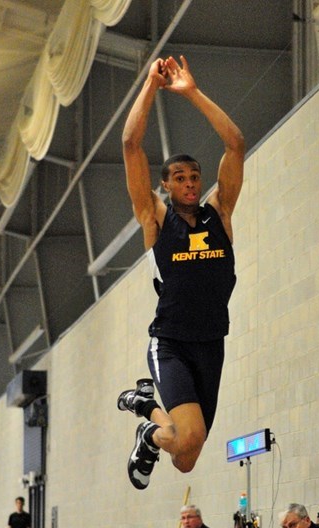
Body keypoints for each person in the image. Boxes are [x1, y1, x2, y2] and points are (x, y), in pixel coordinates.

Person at [118, 54, 246, 490]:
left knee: (185, 460)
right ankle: (149, 424)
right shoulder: (155, 218)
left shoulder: (219, 213)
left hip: (211, 343)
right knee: (187, 437)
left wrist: (192, 93)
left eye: (194, 176)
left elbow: (235, 145)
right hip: (171, 343)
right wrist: (150, 87)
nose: (190, 183)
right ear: (166, 185)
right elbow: (130, 144)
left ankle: (147, 416)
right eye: (180, 178)